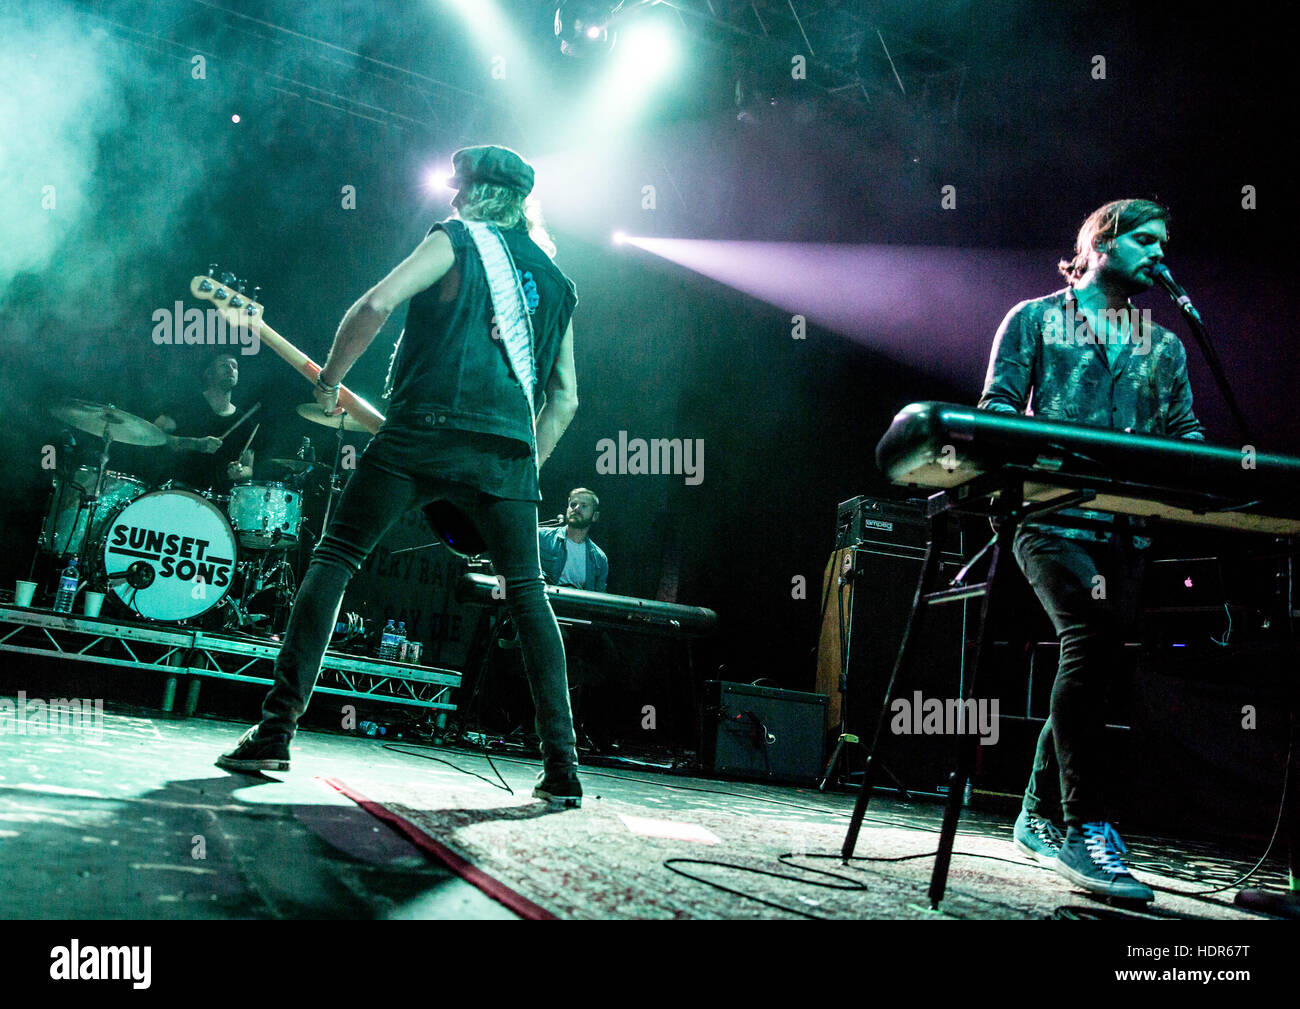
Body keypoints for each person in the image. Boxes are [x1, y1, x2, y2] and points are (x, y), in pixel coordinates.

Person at [217, 145, 585, 807]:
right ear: (522, 202)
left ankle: (275, 733)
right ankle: (563, 769)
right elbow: (566, 400)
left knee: (334, 556)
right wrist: (523, 464)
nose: (452, 200)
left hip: (422, 430)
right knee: (529, 595)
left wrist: (331, 380)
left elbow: (376, 302)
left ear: (470, 193)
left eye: (458, 190)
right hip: (507, 454)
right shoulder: (558, 284)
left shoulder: (456, 240)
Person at [978, 198, 1205, 902]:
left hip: (1126, 531)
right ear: (1099, 242)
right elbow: (995, 413)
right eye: (1143, 239)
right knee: (1092, 633)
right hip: (1048, 520)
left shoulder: (1165, 347)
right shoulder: (1034, 318)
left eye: (1165, 242)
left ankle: (1034, 814)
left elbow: (1187, 434)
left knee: (1101, 656)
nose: (1158, 252)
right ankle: (1085, 826)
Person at [153, 353, 255, 491]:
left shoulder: (245, 421)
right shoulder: (185, 406)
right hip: (178, 491)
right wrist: (196, 444)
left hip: (218, 502)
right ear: (208, 373)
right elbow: (153, 436)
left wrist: (240, 472)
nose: (230, 369)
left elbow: (249, 467)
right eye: (224, 365)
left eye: (234, 366)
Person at [538, 488, 608, 592]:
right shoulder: (540, 537)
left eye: (584, 506)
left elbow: (600, 597)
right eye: (573, 504)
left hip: (576, 608)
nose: (576, 508)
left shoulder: (599, 559)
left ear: (595, 516)